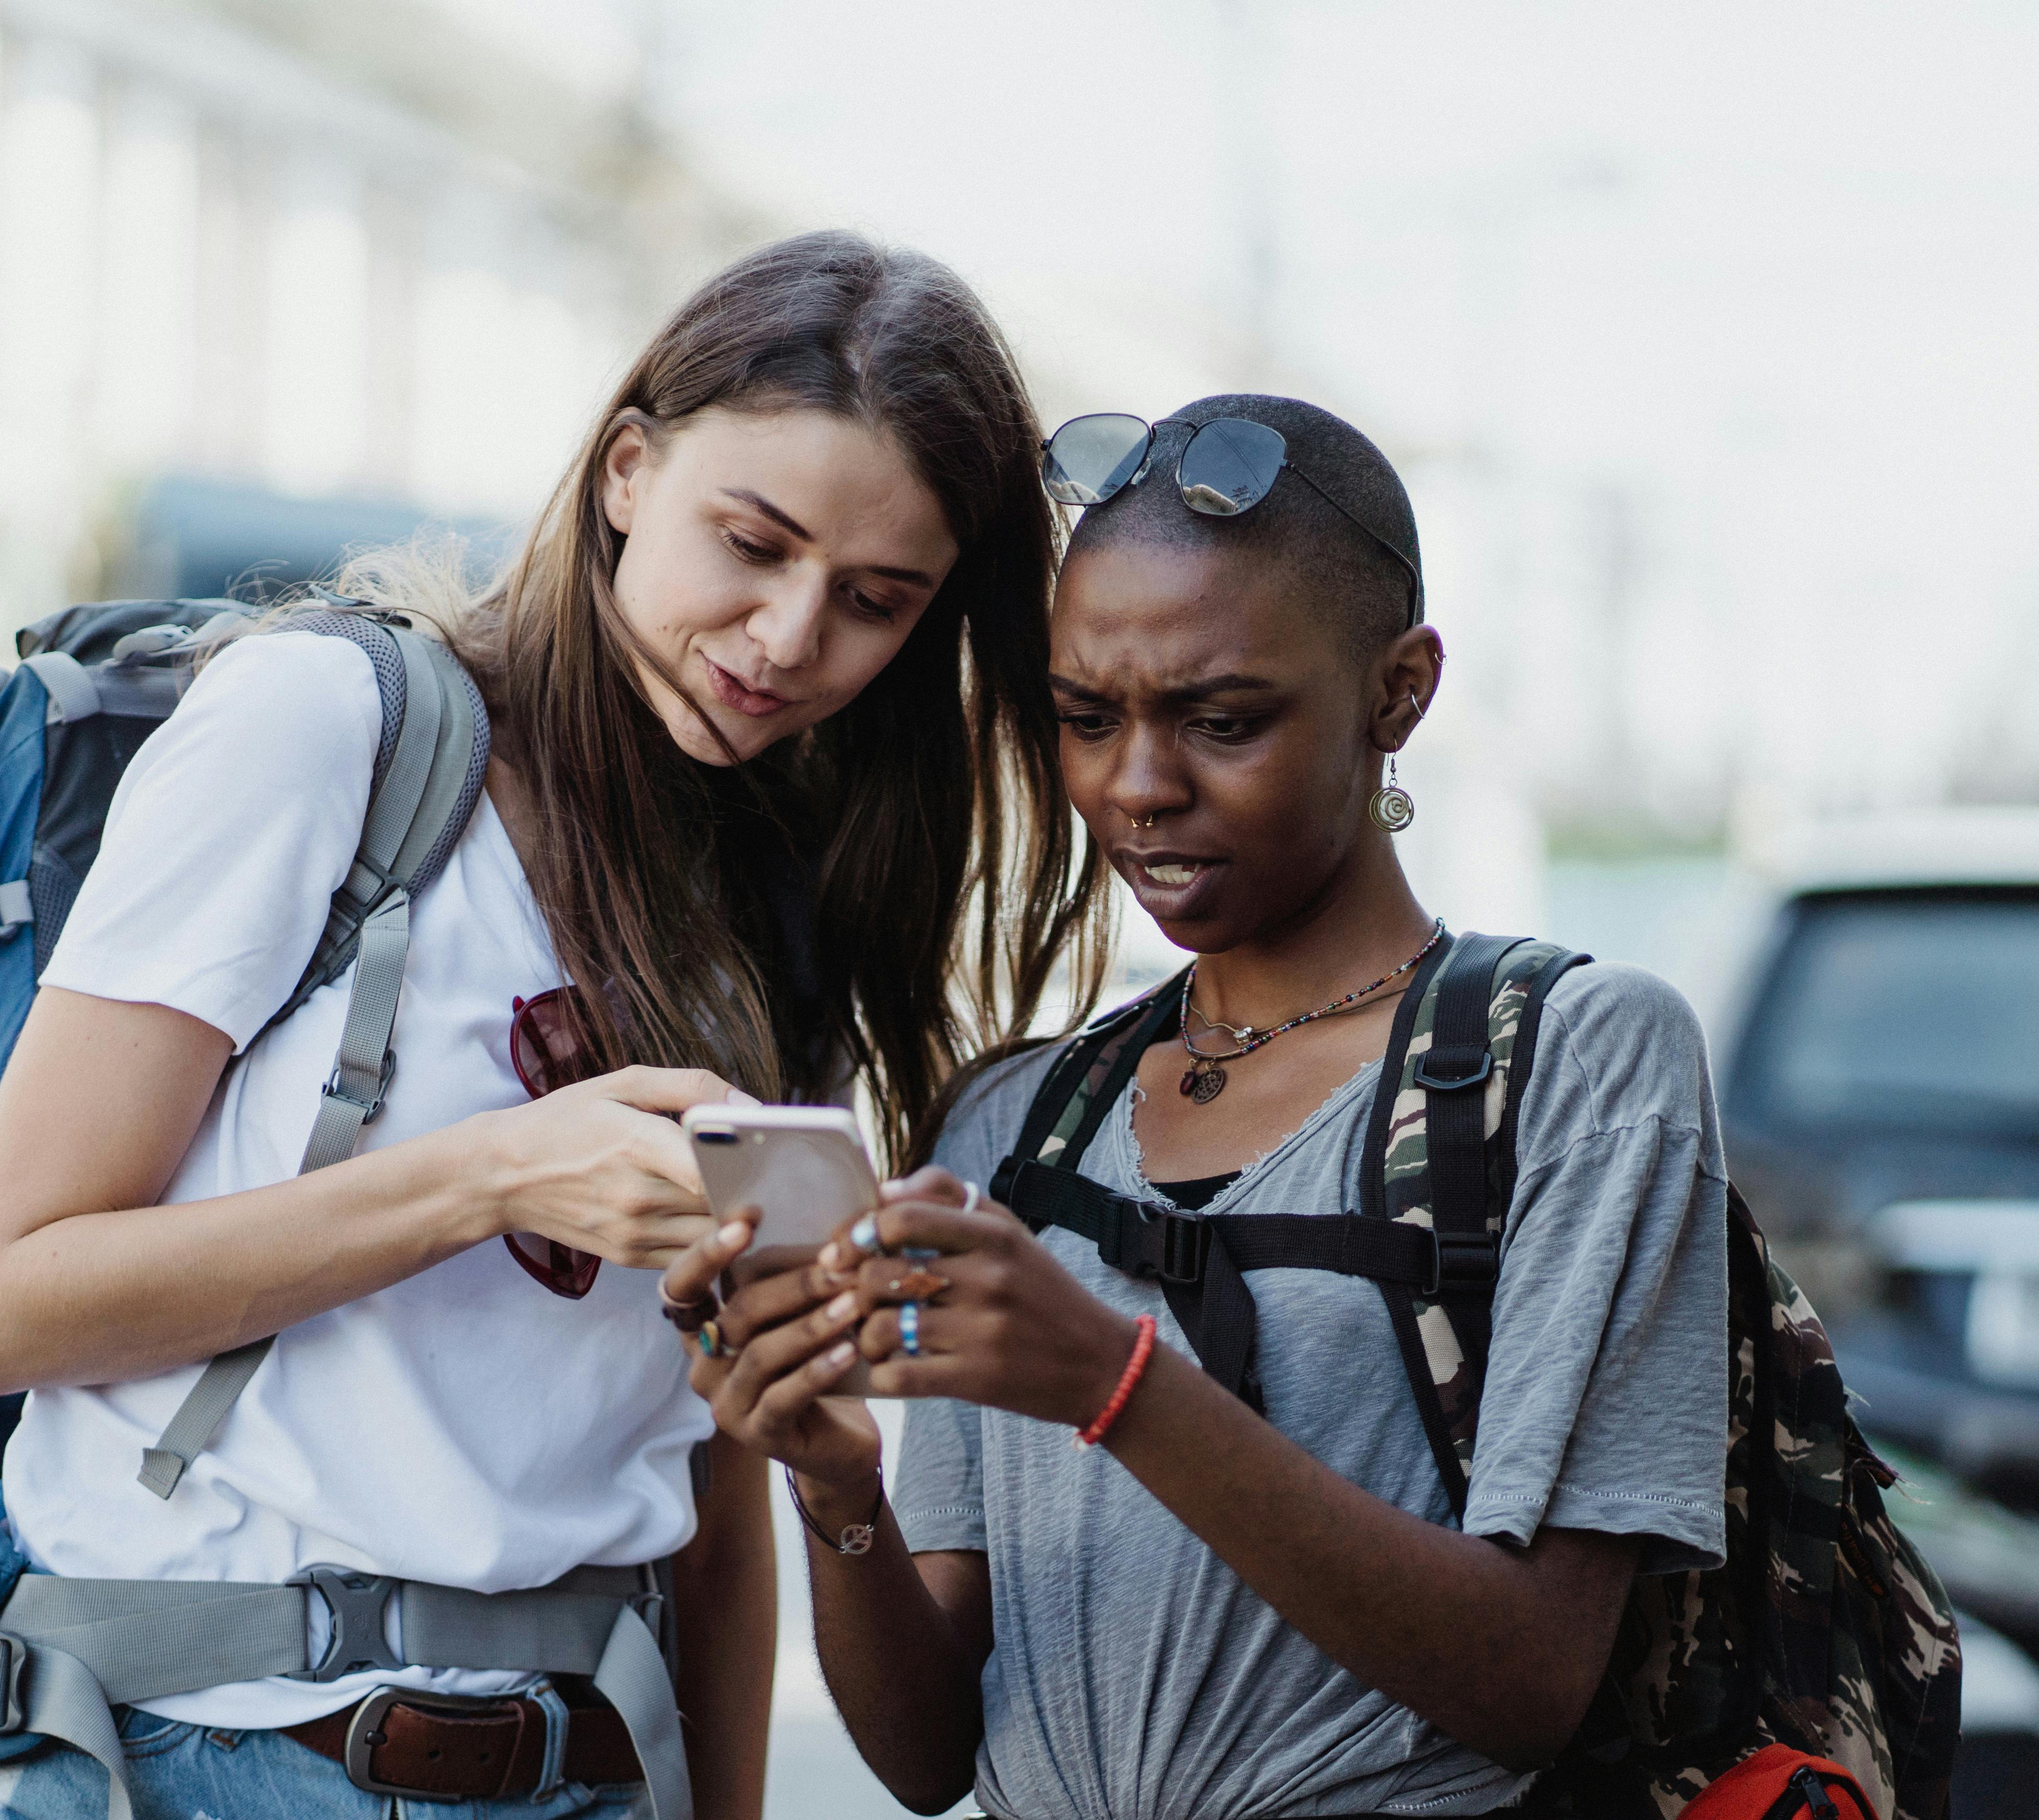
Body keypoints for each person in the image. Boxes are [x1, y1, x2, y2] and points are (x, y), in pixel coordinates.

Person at [0, 231, 1111, 1820]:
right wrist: (487, 1178)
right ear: (627, 468)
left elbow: (711, 1467)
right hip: (199, 1760)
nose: (785, 638)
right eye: (748, 543)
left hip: (592, 1770)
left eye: (873, 602)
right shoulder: (331, 728)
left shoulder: (781, 890)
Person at [669, 396, 1730, 1818]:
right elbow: (925, 1764)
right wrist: (838, 1491)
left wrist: (1114, 1385)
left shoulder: (1571, 1061)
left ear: (1398, 691)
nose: (1138, 788)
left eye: (1221, 722)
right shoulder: (1019, 1127)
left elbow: (1529, 1681)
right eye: (1084, 720)